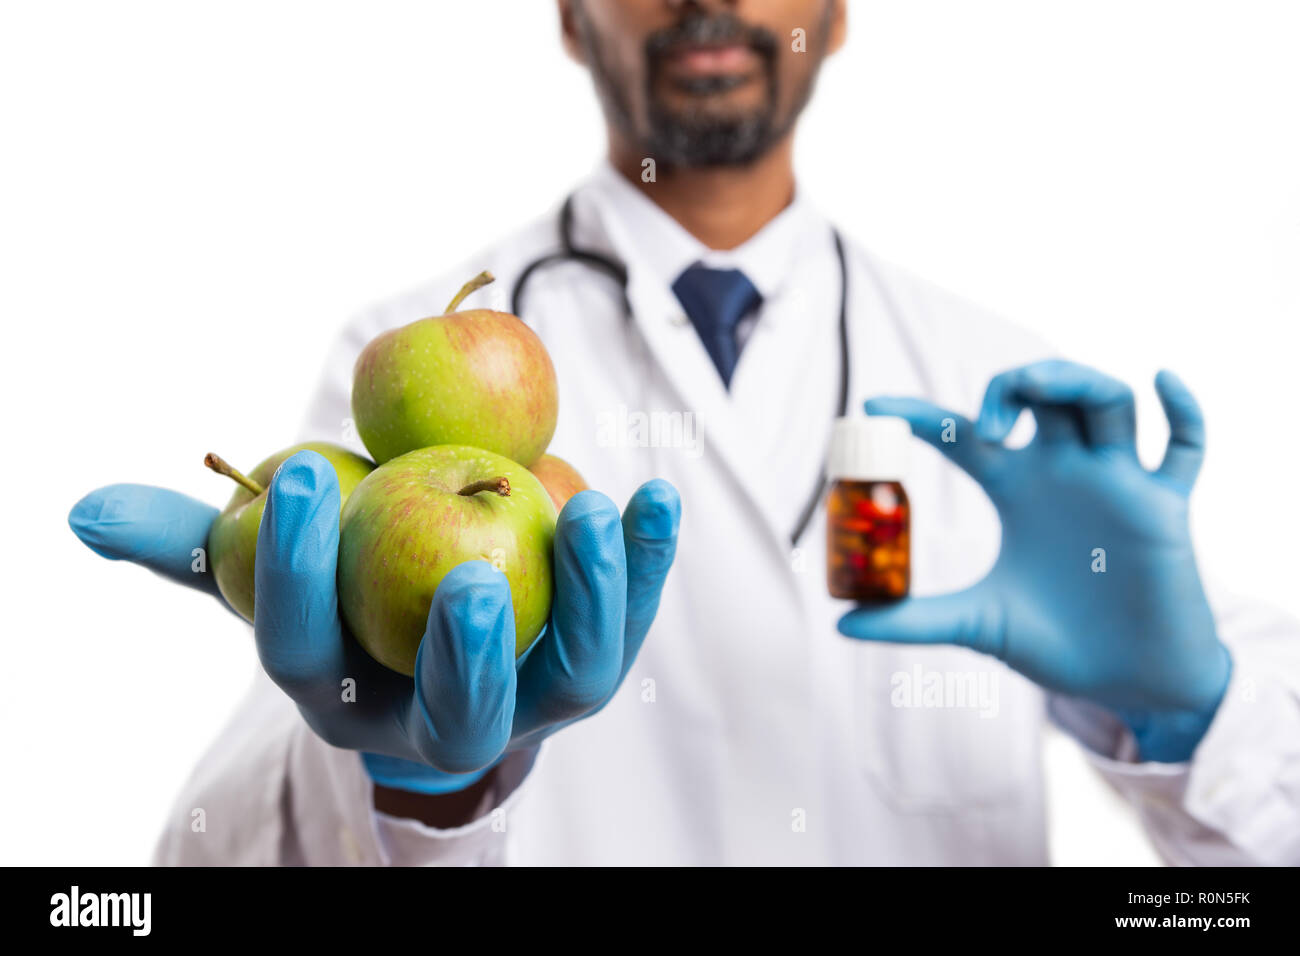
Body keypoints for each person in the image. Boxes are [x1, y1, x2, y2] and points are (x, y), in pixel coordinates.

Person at [68, 0, 1300, 865]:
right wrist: (410, 783)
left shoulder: (987, 382)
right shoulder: (396, 372)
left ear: (839, 7)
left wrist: (1191, 707)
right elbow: (210, 859)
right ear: (567, 13)